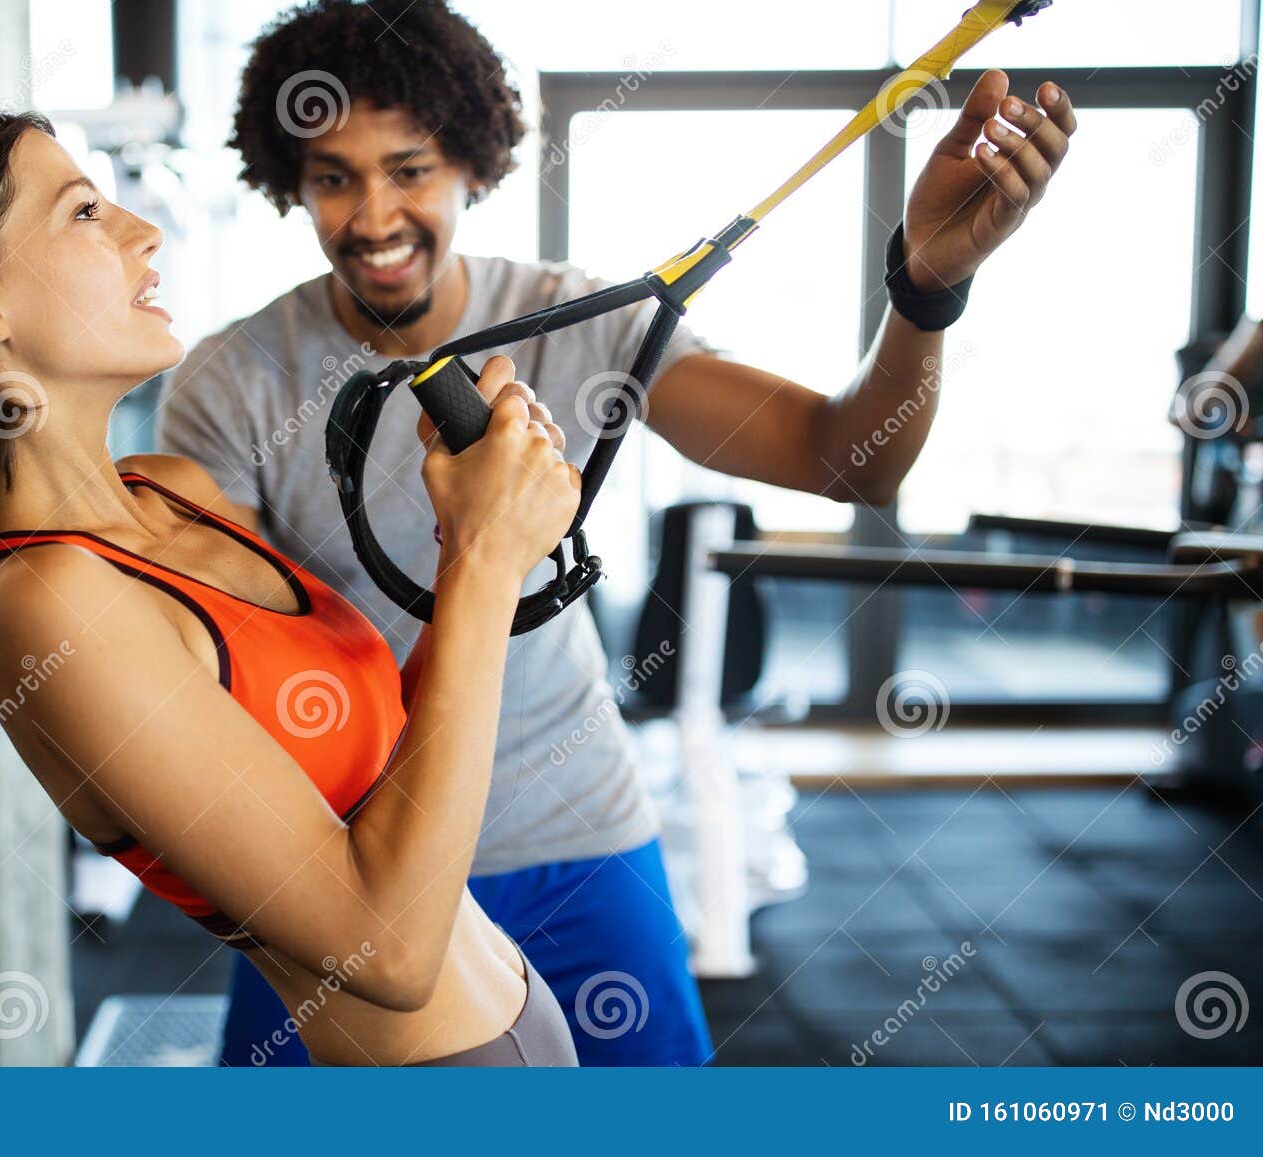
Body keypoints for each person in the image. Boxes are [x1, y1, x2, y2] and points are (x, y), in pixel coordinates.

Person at [157, 0, 1076, 1066]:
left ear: (469, 164)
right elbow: (209, 665)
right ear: (291, 183)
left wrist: (926, 291)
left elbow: (846, 459)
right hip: (337, 864)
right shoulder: (232, 380)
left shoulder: (580, 319)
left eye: (407, 169)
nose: (373, 215)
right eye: (333, 177)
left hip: (571, 835)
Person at [0, 108, 585, 1067]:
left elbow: (390, 764)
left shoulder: (173, 490)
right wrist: (482, 560)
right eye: (86, 212)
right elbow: (385, 953)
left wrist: (476, 523)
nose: (143, 231)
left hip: (523, 1013)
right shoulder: (42, 603)